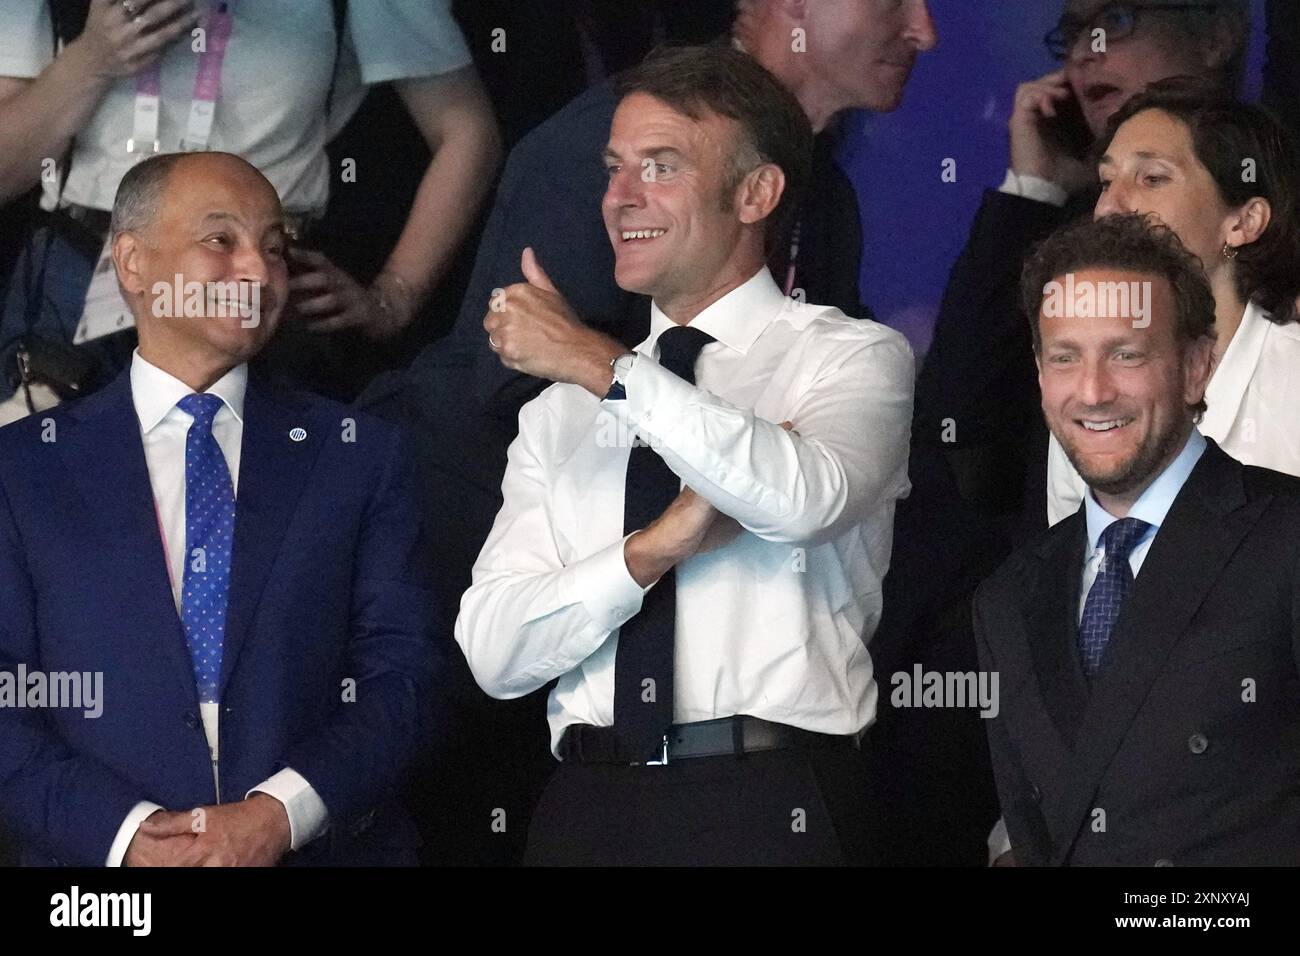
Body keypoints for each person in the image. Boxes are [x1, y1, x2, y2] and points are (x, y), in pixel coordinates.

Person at [363, 0, 935, 866]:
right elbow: (492, 651)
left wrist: (606, 368)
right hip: (586, 808)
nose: (620, 197)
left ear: (756, 192)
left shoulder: (851, 358)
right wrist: (648, 553)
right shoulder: (559, 409)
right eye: (614, 168)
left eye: (661, 167)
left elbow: (802, 499)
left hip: (773, 806)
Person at [871, 0, 1252, 866]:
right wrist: (1037, 184)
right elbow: (961, 408)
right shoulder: (1081, 323)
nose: (1090, 52)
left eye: (1117, 19)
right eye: (1073, 32)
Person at [0, 152, 435, 866]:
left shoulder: (356, 454)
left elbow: (405, 673)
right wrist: (129, 837)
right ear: (133, 264)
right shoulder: (22, 470)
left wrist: (280, 814)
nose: (259, 274)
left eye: (274, 248)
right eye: (221, 241)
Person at [976, 212, 1300, 866]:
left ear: (1194, 366)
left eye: (1126, 354)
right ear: (1040, 375)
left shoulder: (1287, 538)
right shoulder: (1006, 600)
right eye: (1065, 357)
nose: (1093, 392)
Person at [0, 0, 499, 410]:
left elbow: (467, 132)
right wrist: (94, 59)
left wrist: (394, 296)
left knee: (254, 511)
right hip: (80, 271)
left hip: (258, 285)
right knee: (45, 499)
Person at [1046, 81, 1300, 523]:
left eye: (1152, 178)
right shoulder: (1090, 388)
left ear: (1243, 221)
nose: (1110, 208)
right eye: (1106, 182)